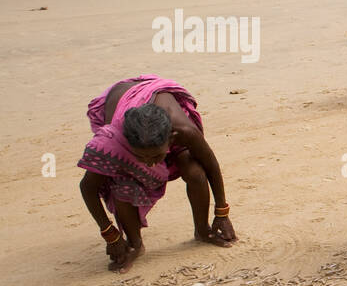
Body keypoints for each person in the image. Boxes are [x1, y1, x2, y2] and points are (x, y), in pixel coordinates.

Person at [77, 75, 235, 274]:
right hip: (121, 99)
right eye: (142, 157)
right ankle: (134, 243)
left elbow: (211, 164)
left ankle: (202, 230)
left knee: (195, 171)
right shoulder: (112, 141)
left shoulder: (184, 131)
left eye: (157, 156)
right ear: (128, 145)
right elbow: (87, 187)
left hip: (155, 99)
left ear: (172, 139)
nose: (151, 163)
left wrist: (222, 213)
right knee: (123, 184)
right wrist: (111, 235)